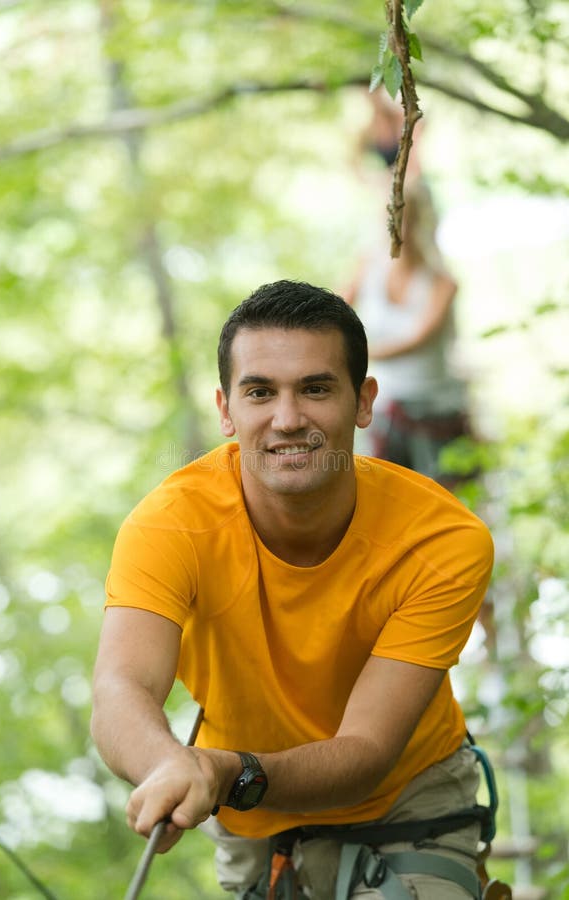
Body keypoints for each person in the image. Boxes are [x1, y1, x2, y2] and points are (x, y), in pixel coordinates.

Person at [91, 280, 494, 899]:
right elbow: (121, 686)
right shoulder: (172, 523)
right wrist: (169, 763)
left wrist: (227, 772)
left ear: (363, 402)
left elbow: (365, 751)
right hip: (248, 818)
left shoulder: (439, 540)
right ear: (226, 409)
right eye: (260, 392)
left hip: (408, 800)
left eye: (315, 388)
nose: (287, 419)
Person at [344, 179, 472, 485]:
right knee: (384, 495)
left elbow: (417, 339)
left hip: (437, 412)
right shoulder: (367, 265)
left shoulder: (442, 282)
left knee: (442, 496)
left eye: (409, 220)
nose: (401, 230)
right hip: (383, 410)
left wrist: (351, 353)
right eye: (395, 219)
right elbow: (334, 311)